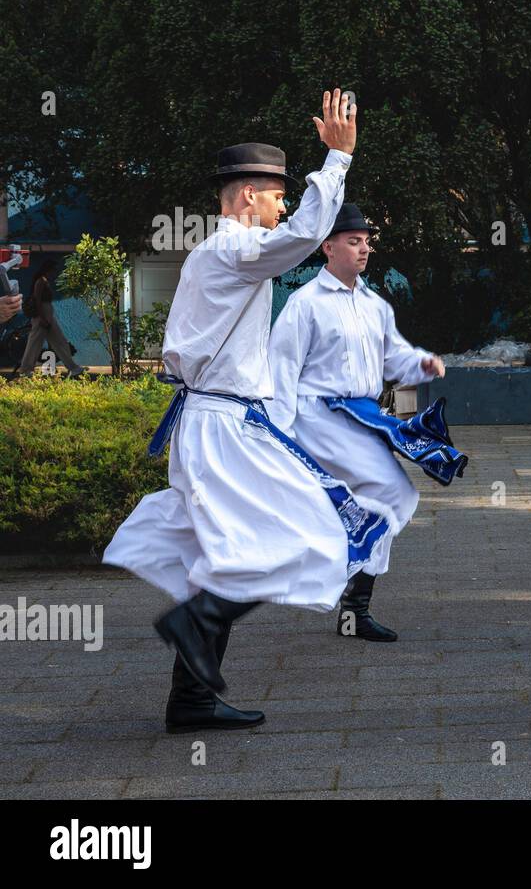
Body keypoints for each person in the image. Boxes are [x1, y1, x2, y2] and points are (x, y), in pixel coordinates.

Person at [102, 90, 392, 734]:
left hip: (224, 422)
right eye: (277, 193)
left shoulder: (225, 255)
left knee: (232, 555)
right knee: (287, 541)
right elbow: (301, 236)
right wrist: (337, 159)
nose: (284, 203)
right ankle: (193, 639)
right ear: (245, 197)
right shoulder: (231, 251)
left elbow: (292, 235)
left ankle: (191, 701)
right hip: (222, 426)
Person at [268, 202, 464, 643]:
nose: (364, 249)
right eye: (354, 241)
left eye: (367, 242)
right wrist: (278, 435)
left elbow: (395, 357)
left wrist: (423, 364)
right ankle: (345, 591)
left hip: (363, 414)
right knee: (392, 493)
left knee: (378, 500)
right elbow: (281, 370)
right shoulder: (305, 305)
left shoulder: (373, 304)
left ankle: (351, 603)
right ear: (327, 247)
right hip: (318, 415)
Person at [17, 259, 85, 378]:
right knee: (34, 343)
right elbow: (37, 300)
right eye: (54, 270)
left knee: (60, 342)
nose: (55, 273)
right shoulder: (41, 281)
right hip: (42, 316)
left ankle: (73, 368)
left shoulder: (44, 280)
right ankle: (25, 369)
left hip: (47, 315)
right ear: (49, 269)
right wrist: (42, 318)